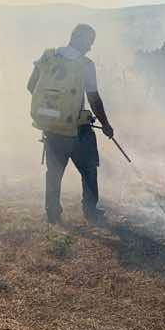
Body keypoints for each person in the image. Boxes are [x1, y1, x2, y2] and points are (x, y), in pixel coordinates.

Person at [27, 23, 116, 224]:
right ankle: (90, 211)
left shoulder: (48, 56)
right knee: (89, 168)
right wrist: (106, 125)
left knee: (54, 172)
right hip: (77, 129)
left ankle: (52, 211)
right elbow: (93, 98)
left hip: (52, 127)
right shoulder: (85, 65)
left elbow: (31, 85)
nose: (90, 47)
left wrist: (52, 110)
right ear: (80, 39)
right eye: (89, 43)